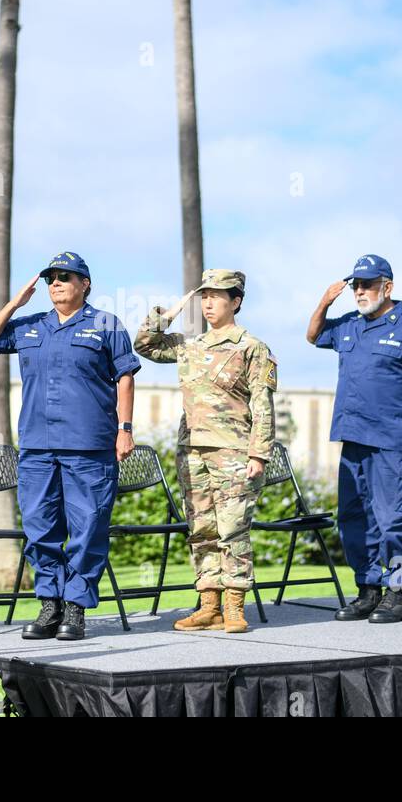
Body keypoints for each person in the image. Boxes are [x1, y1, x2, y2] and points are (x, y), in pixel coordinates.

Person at [0, 252, 139, 640]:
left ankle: (75, 608)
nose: (56, 283)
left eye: (66, 276)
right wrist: (16, 303)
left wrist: (125, 428)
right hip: (37, 447)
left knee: (88, 526)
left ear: (85, 284)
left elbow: (126, 377)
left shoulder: (106, 324)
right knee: (40, 528)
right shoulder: (32, 326)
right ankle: (50, 605)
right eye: (51, 278)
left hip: (90, 446)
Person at [135, 269, 277, 634]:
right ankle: (209, 604)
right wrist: (174, 308)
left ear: (236, 302)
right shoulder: (190, 346)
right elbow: (146, 344)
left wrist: (259, 454)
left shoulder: (251, 347)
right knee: (201, 529)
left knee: (233, 528)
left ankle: (234, 605)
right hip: (192, 450)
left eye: (218, 295)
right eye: (205, 295)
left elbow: (263, 404)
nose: (209, 302)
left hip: (234, 451)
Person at [306, 254, 402, 624]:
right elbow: (314, 335)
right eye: (356, 285)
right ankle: (368, 590)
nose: (361, 291)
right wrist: (324, 301)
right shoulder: (349, 326)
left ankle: (396, 594)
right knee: (355, 519)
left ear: (388, 286)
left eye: (368, 284)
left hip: (396, 441)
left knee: (394, 521)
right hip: (353, 439)